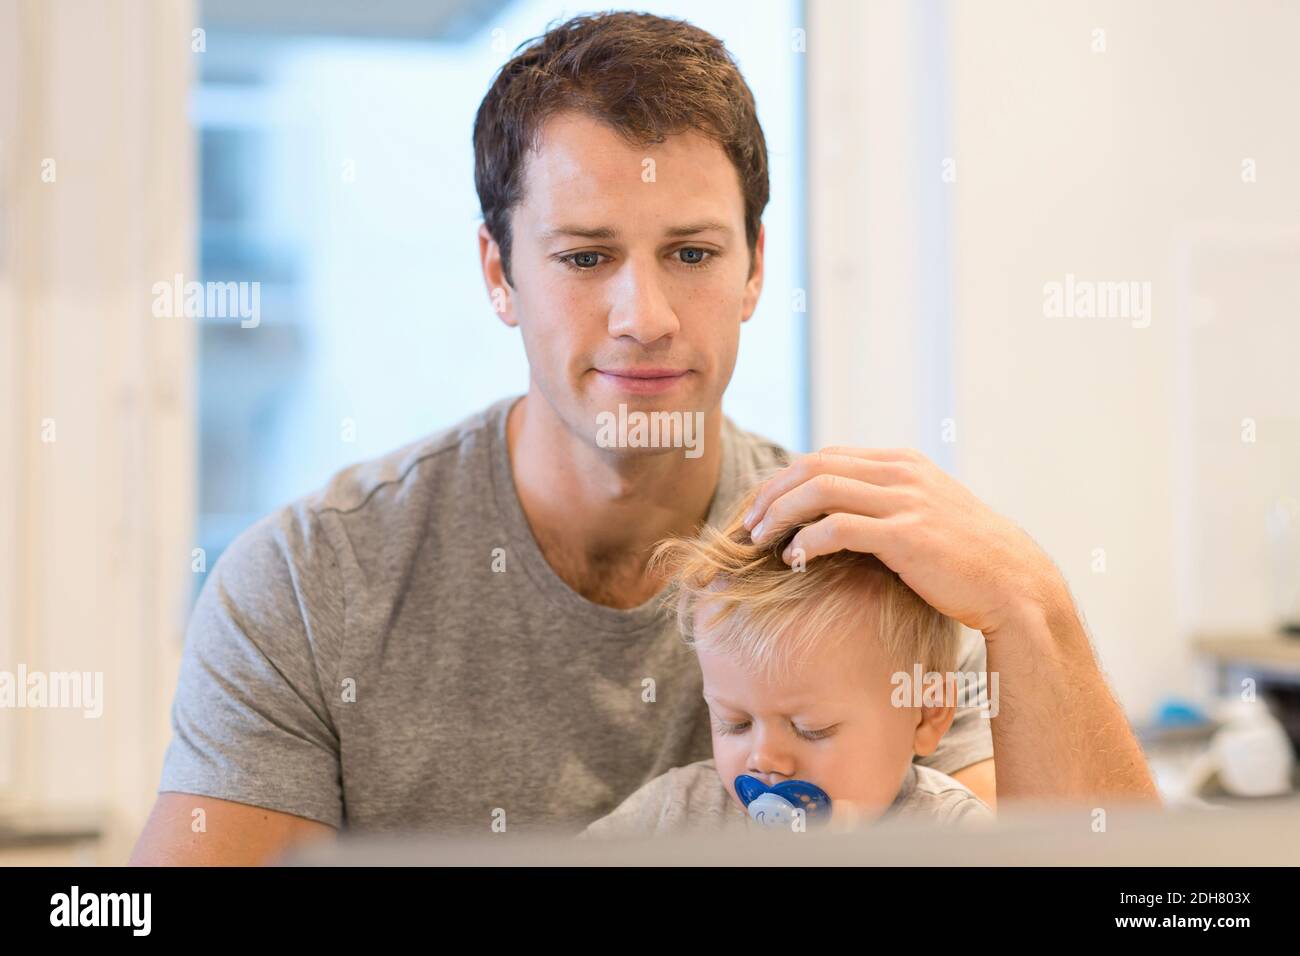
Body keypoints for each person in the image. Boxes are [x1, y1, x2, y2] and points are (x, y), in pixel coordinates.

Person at [131, 10, 1155, 866]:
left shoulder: (861, 575)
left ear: (755, 265)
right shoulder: (311, 585)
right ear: (498, 274)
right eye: (584, 257)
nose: (644, 314)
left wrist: (1033, 605)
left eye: (692, 252)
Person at [581, 487, 992, 837]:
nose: (764, 759)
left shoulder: (952, 832)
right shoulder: (672, 815)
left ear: (925, 713)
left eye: (811, 729)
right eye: (734, 722)